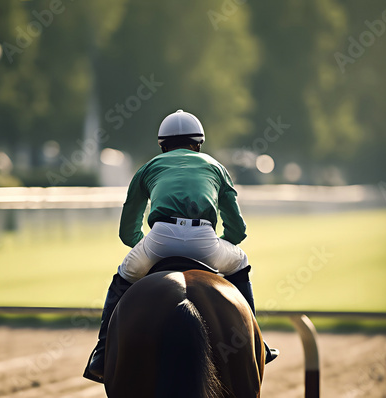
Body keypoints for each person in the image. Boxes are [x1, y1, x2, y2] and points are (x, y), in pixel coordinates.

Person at [82, 109, 278, 383]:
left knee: (122, 276)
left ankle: (102, 352)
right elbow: (238, 229)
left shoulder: (148, 168)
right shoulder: (215, 166)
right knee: (240, 261)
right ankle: (256, 341)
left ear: (162, 145)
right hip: (205, 241)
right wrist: (219, 247)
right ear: (198, 144)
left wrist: (148, 249)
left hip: (159, 240)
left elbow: (128, 231)